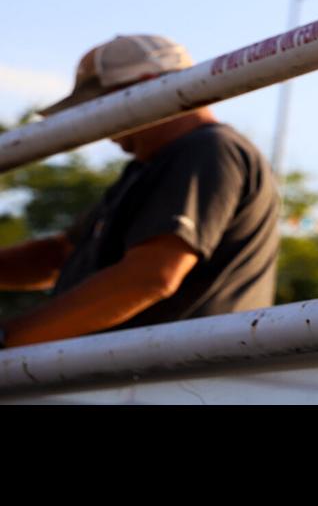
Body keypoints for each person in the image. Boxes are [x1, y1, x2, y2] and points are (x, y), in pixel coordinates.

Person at [0, 35, 280, 350]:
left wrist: (8, 339)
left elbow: (150, 276)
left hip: (171, 382)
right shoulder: (151, 164)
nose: (96, 124)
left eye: (98, 104)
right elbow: (60, 256)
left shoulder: (206, 150)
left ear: (146, 87)